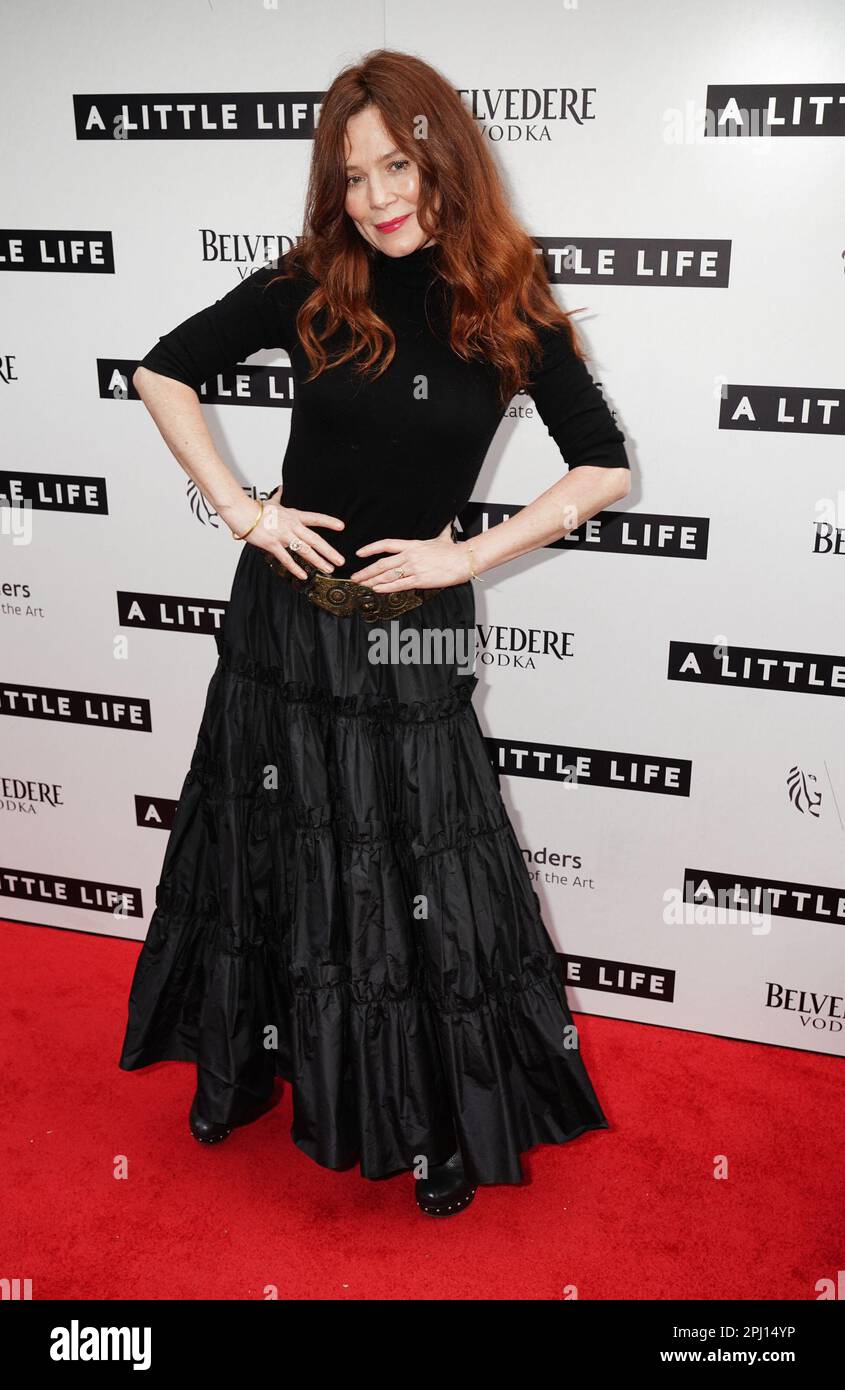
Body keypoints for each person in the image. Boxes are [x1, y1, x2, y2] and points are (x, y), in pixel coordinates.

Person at [118, 47, 631, 1219]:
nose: (377, 197)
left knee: (420, 874)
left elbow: (598, 465)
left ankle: (434, 1116)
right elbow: (163, 372)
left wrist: (465, 554)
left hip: (410, 633)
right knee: (272, 847)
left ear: (441, 157)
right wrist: (245, 514)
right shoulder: (314, 280)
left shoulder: (507, 300)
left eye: (395, 165)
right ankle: (245, 1065)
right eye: (352, 177)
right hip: (286, 626)